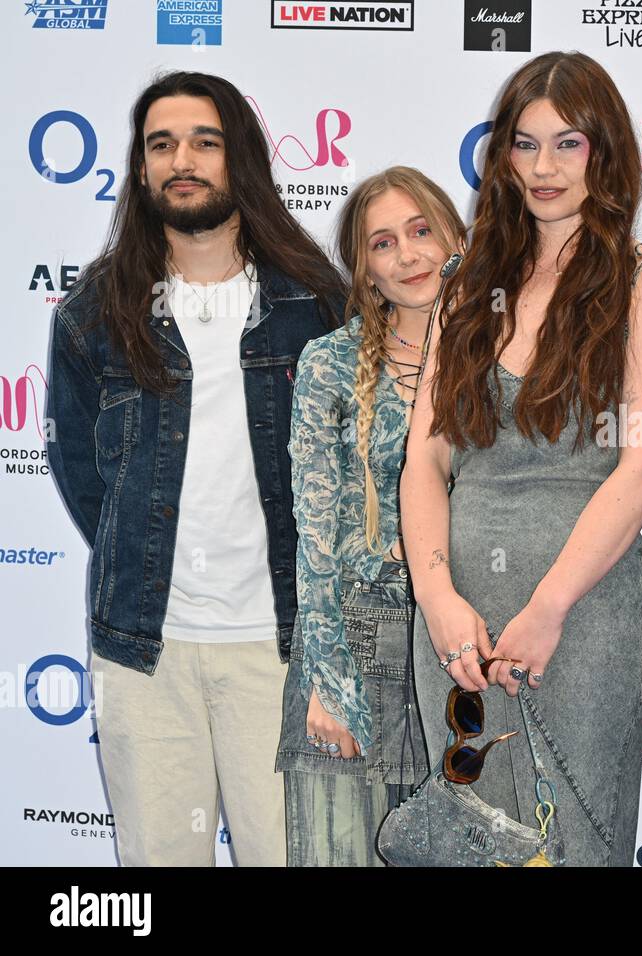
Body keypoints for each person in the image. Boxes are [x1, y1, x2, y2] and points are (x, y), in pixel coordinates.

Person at [401, 51, 642, 867]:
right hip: (456, 630)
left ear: (605, 152)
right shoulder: (465, 285)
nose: (544, 167)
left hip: (581, 625)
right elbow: (425, 462)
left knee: (574, 847)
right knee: (466, 849)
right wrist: (438, 599)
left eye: (568, 143)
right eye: (525, 145)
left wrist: (548, 607)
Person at [46, 71, 346, 866]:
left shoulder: (315, 306)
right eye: (162, 144)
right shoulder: (92, 316)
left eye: (205, 142)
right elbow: (85, 479)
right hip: (145, 655)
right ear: (141, 169)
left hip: (284, 655)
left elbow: (351, 476)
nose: (183, 160)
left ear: (238, 158)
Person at [275, 167, 467, 866]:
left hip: (466, 652)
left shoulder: (505, 359)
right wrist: (327, 681)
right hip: (356, 640)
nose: (409, 255)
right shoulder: (328, 363)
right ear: (365, 270)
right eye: (384, 243)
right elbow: (316, 536)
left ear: (457, 236)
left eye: (422, 231)